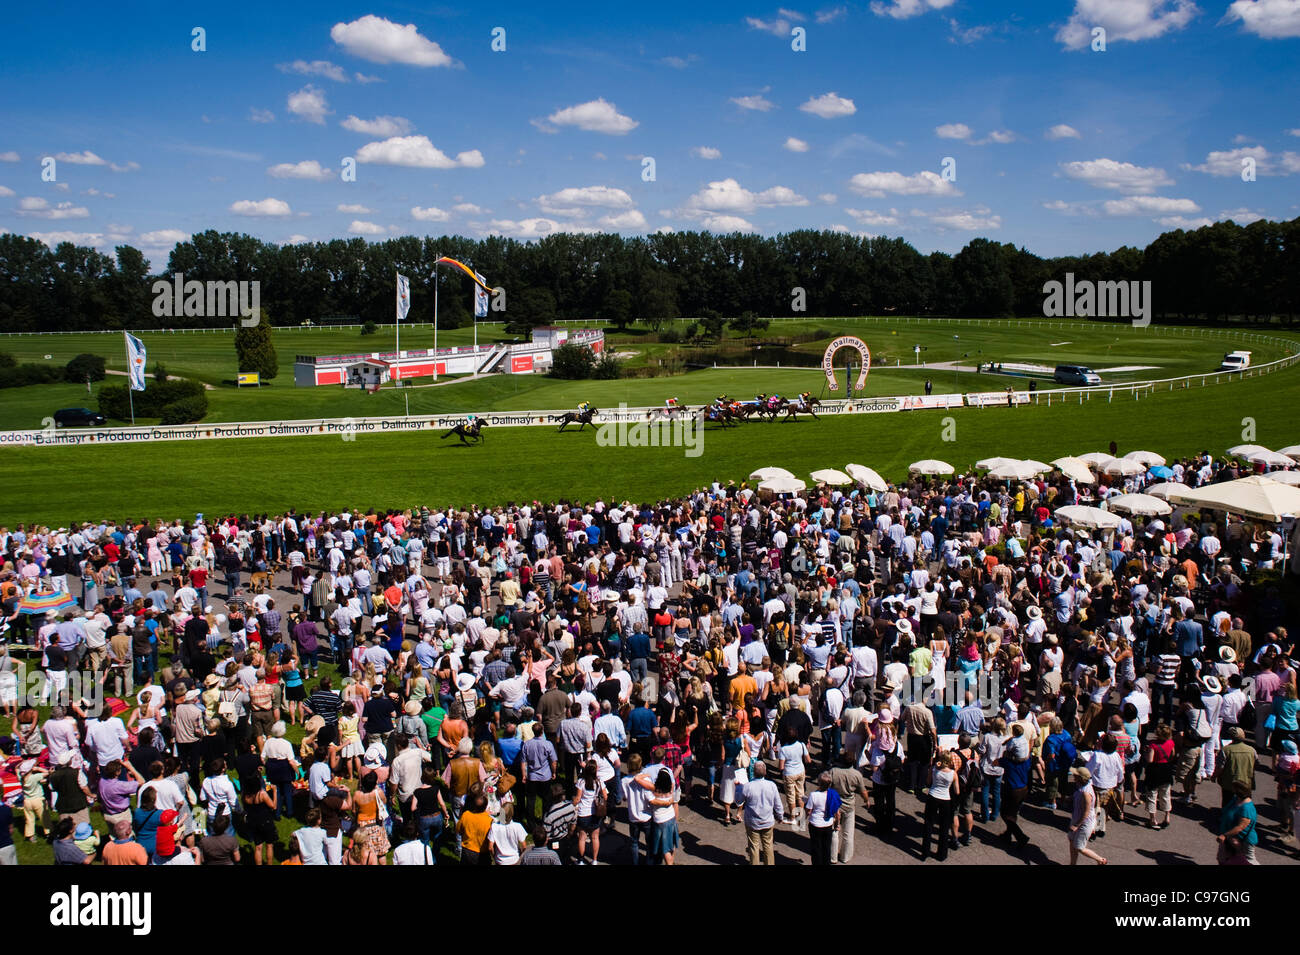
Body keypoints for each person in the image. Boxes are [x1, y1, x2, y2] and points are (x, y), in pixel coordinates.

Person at [742, 761, 783, 865]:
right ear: (765, 772)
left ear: (753, 772)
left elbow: (738, 800)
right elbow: (778, 804)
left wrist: (738, 788)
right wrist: (780, 816)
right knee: (768, 846)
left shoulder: (747, 786)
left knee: (753, 847)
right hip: (767, 821)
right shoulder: (772, 785)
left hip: (752, 822)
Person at [920, 751, 958, 861]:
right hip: (945, 799)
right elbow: (957, 790)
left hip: (933, 796)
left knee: (928, 823)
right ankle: (942, 854)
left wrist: (934, 768)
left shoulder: (934, 769)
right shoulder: (953, 774)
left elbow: (928, 782)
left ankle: (925, 852)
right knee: (944, 826)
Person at [1068, 767, 1107, 865]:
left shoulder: (1086, 793)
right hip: (1077, 818)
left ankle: (1101, 860)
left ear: (1080, 778)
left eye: (1075, 775)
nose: (1073, 776)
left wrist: (1076, 825)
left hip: (1084, 822)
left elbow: (1086, 812)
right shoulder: (1082, 786)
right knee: (1072, 841)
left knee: (1079, 847)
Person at [572, 759, 605, 865]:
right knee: (595, 837)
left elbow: (577, 799)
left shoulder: (581, 782)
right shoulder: (599, 781)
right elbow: (605, 796)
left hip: (583, 813)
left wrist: (571, 804)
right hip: (596, 813)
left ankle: (581, 860)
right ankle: (594, 860)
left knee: (582, 838)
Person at [1217, 780, 1258, 865]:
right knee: (1222, 857)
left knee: (1249, 860)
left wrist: (1225, 835)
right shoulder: (1236, 798)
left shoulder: (1247, 808)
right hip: (1230, 836)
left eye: (1234, 788)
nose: (1232, 789)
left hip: (1243, 840)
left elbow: (1240, 827)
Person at [804, 771, 838, 866]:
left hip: (815, 824)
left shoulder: (813, 795)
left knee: (816, 849)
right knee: (827, 849)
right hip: (828, 824)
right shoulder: (833, 794)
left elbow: (808, 811)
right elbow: (837, 811)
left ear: (819, 783)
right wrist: (837, 824)